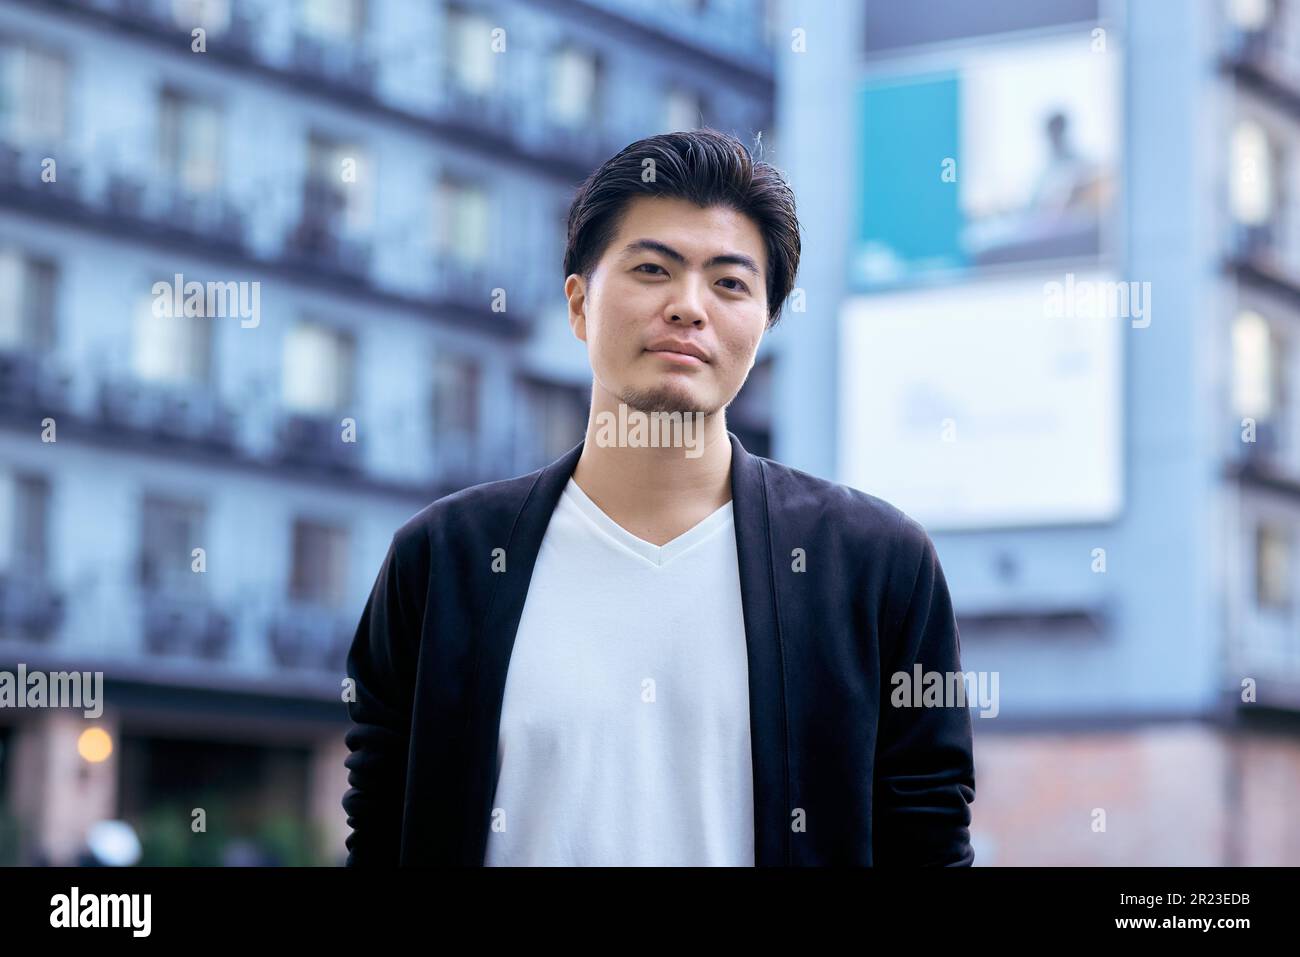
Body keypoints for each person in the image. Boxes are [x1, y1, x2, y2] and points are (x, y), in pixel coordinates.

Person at [342, 128, 975, 866]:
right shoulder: (444, 560)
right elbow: (381, 828)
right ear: (579, 305)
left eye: (730, 283)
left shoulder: (874, 566)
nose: (688, 306)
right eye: (652, 268)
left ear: (763, 328)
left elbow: (928, 837)